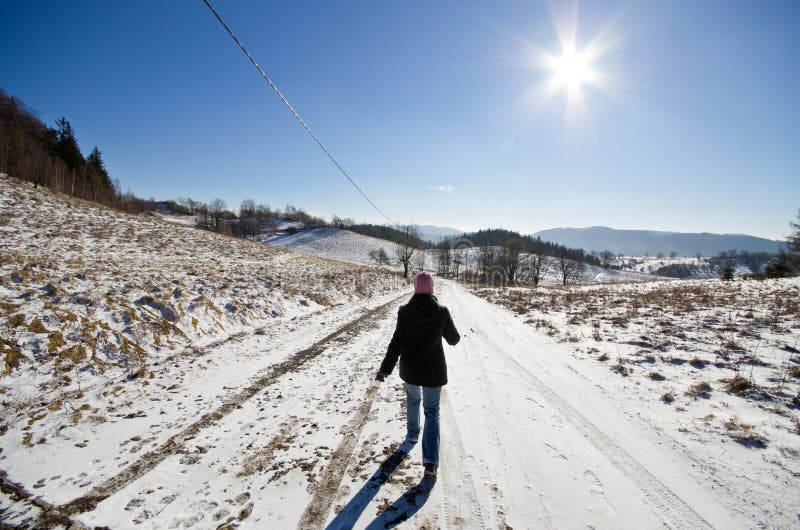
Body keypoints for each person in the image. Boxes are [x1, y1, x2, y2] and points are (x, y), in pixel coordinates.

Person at [375, 272, 460, 479]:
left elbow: (396, 343)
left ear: (415, 288)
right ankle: (431, 463)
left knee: (413, 401)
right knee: (432, 411)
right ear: (431, 288)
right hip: (433, 372)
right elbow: (454, 340)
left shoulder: (404, 312)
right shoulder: (441, 312)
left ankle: (412, 435)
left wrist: (385, 369)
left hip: (410, 370)